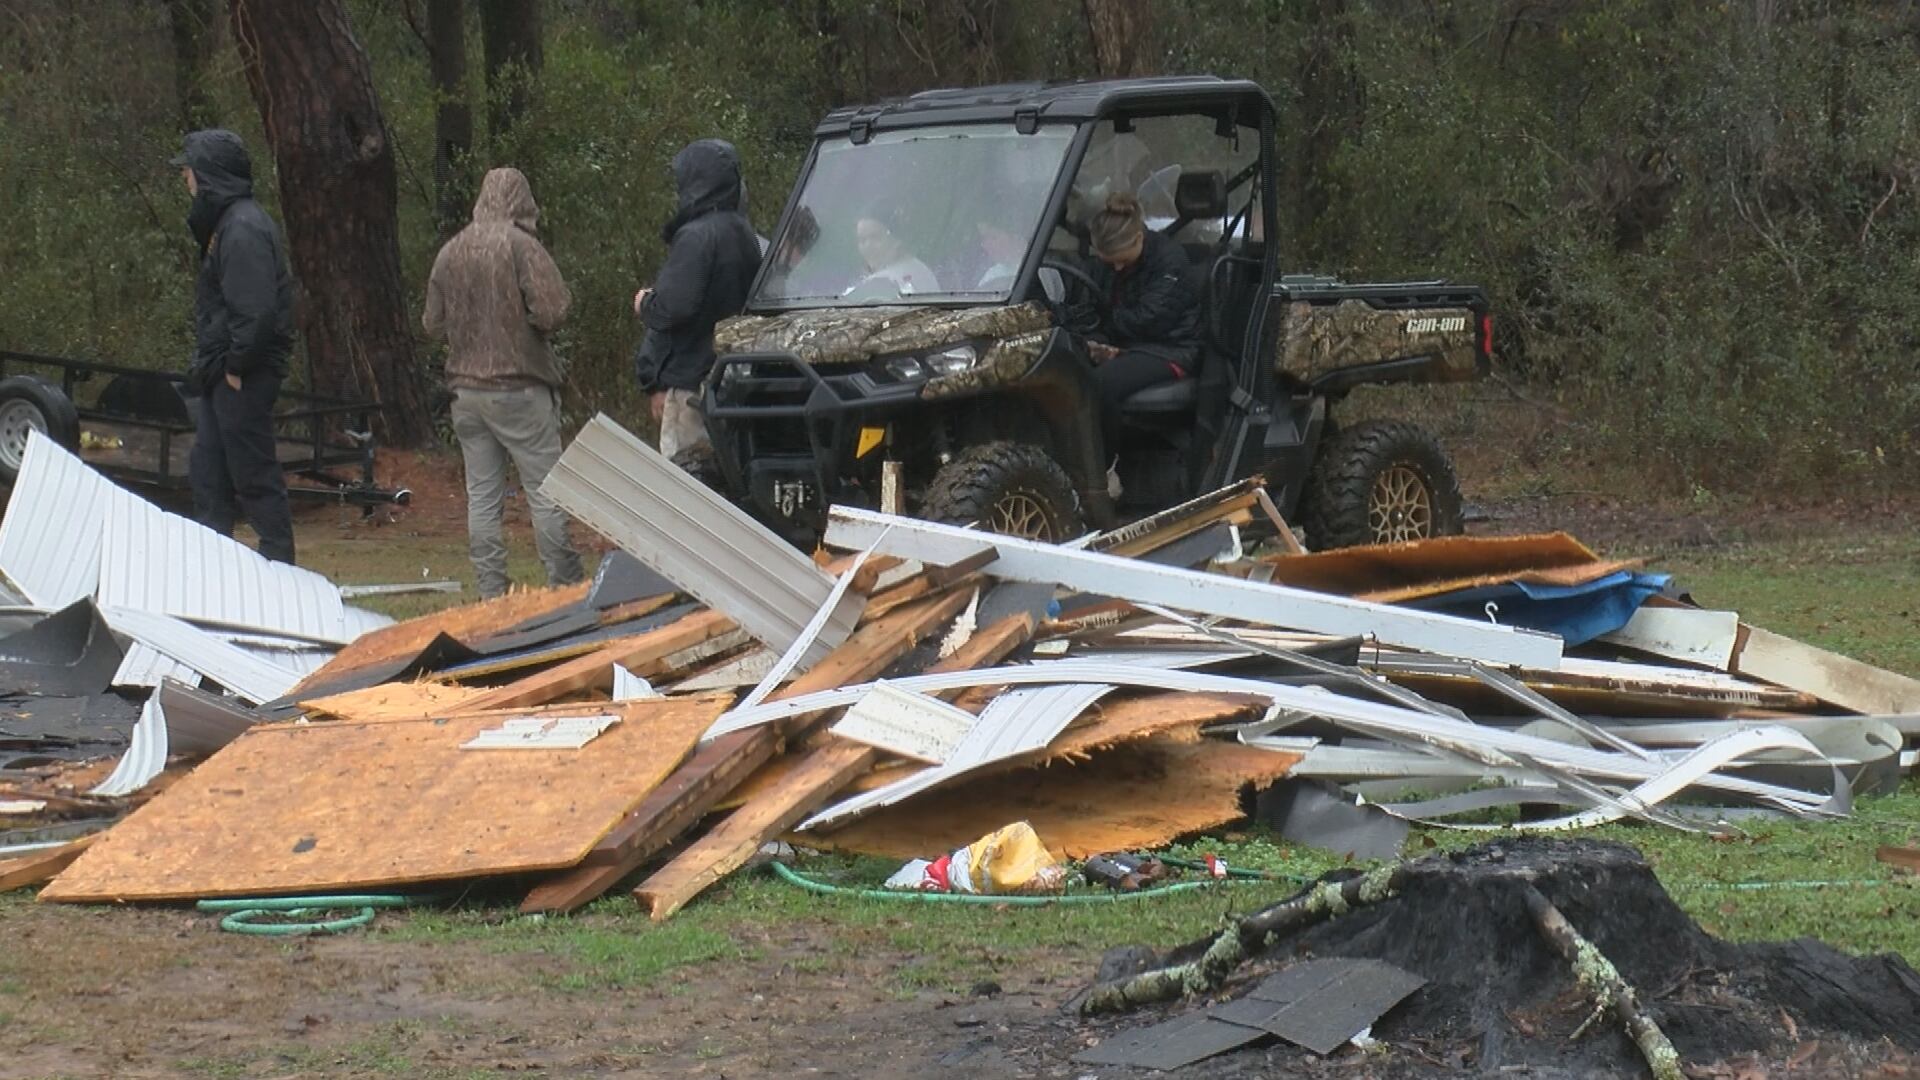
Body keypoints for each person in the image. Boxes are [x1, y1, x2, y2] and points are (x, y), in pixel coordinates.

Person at [423, 167, 585, 600]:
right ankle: (566, 587)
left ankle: (493, 593)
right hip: (519, 388)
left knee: (482, 496)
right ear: (522, 202)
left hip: (465, 393)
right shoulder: (521, 246)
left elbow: (431, 323)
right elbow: (553, 310)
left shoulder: (450, 250)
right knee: (546, 490)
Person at [172, 129, 297, 565]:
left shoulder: (242, 228)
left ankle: (281, 570)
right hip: (221, 369)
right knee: (209, 475)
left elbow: (256, 311)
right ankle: (214, 570)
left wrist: (235, 366)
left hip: (241, 372)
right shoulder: (226, 225)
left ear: (207, 176)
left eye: (189, 170)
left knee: (253, 475)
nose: (184, 178)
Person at [633, 139, 763, 462]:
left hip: (691, 382)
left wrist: (645, 303)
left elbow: (674, 307)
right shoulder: (744, 232)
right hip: (730, 379)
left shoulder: (695, 237)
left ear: (696, 181)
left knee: (685, 479)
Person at [1083, 191, 1200, 456]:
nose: (1116, 268)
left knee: (1102, 384)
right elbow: (1094, 305)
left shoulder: (1170, 261)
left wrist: (1108, 334)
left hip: (1169, 348)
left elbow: (1148, 320)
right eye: (1109, 262)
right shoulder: (1105, 266)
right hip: (1125, 342)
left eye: (1122, 260)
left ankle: (1102, 466)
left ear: (1139, 238)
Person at [848, 209, 939, 299]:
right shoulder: (919, 268)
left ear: (896, 240)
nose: (868, 246)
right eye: (862, 240)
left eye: (875, 237)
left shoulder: (882, 282)